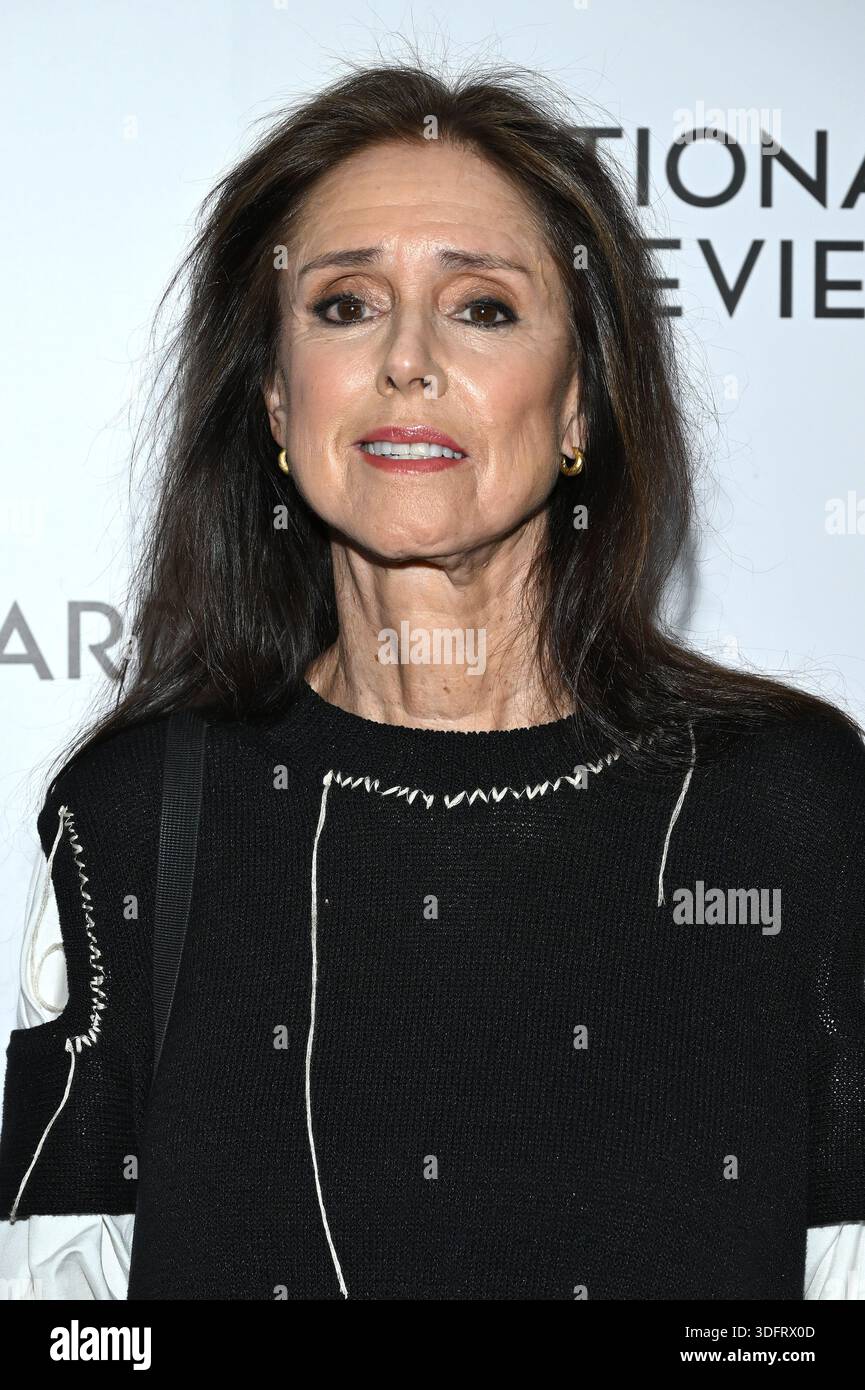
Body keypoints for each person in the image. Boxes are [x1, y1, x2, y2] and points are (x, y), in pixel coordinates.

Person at [0, 58, 863, 1300]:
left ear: (580, 405)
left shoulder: (792, 811)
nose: (407, 360)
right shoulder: (134, 818)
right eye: (345, 306)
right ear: (275, 402)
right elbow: (59, 1324)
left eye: (483, 308)